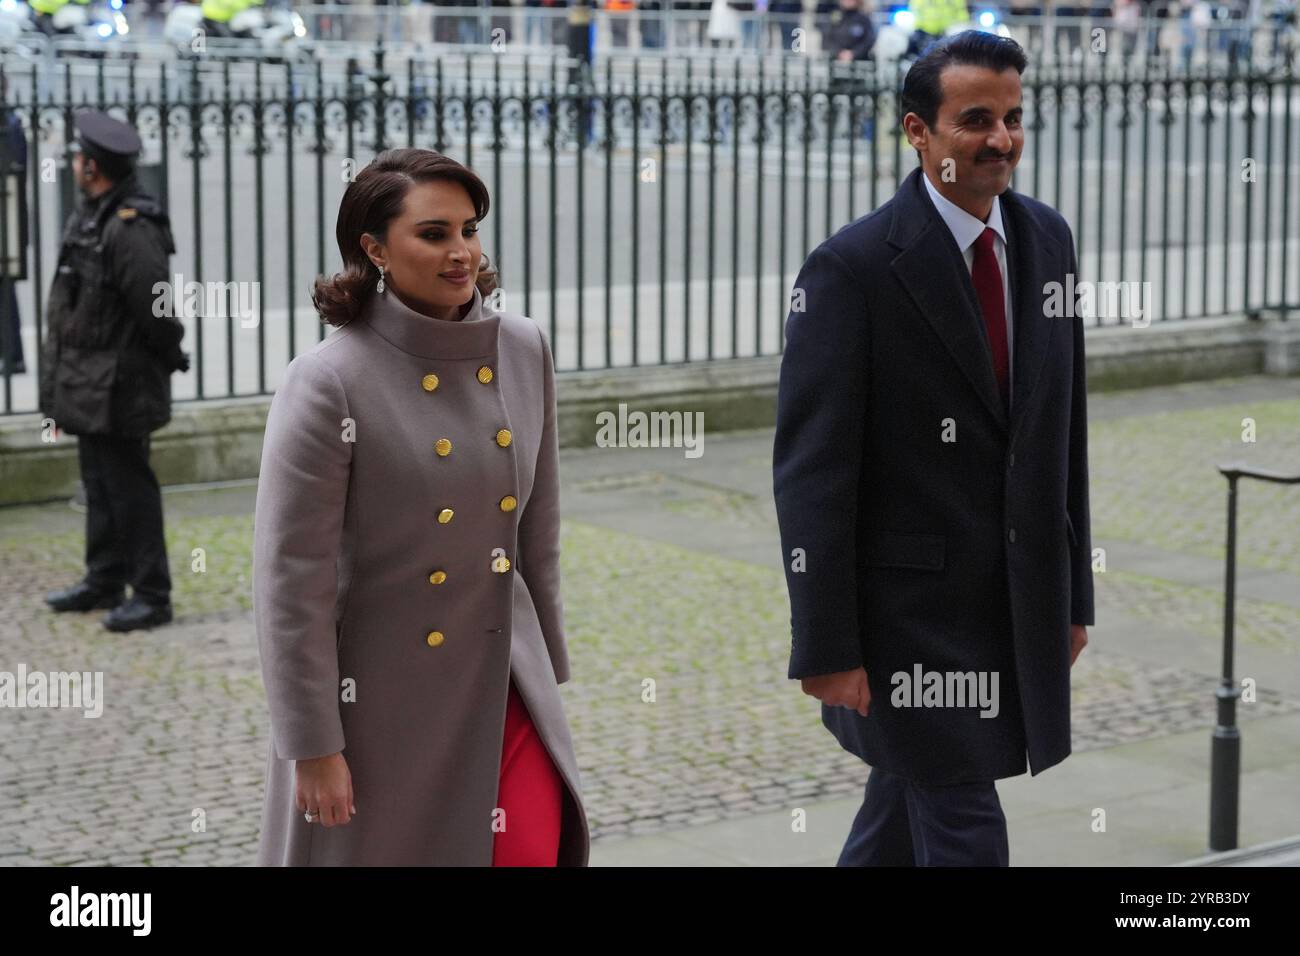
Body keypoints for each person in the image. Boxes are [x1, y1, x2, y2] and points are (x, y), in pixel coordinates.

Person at [773, 31, 1094, 866]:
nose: (1001, 140)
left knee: (898, 817)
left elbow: (1065, 432)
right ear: (918, 133)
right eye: (976, 120)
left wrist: (1073, 594)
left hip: (1012, 602)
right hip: (905, 623)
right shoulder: (851, 269)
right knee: (963, 825)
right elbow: (813, 473)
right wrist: (827, 646)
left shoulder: (1047, 241)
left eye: (1014, 118)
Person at [253, 148, 589, 866]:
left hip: (505, 687)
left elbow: (539, 524)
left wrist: (546, 661)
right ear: (374, 248)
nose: (461, 252)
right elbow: (292, 582)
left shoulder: (523, 348)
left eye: (469, 230)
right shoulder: (328, 381)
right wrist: (313, 746)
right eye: (433, 234)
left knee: (527, 851)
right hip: (379, 700)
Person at [41, 111, 188, 633]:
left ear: (92, 167)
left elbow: (155, 306)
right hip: (88, 380)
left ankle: (152, 594)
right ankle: (103, 579)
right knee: (99, 484)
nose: (74, 163)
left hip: (121, 383)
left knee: (130, 488)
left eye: (80, 157)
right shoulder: (93, 213)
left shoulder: (131, 225)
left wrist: (171, 355)